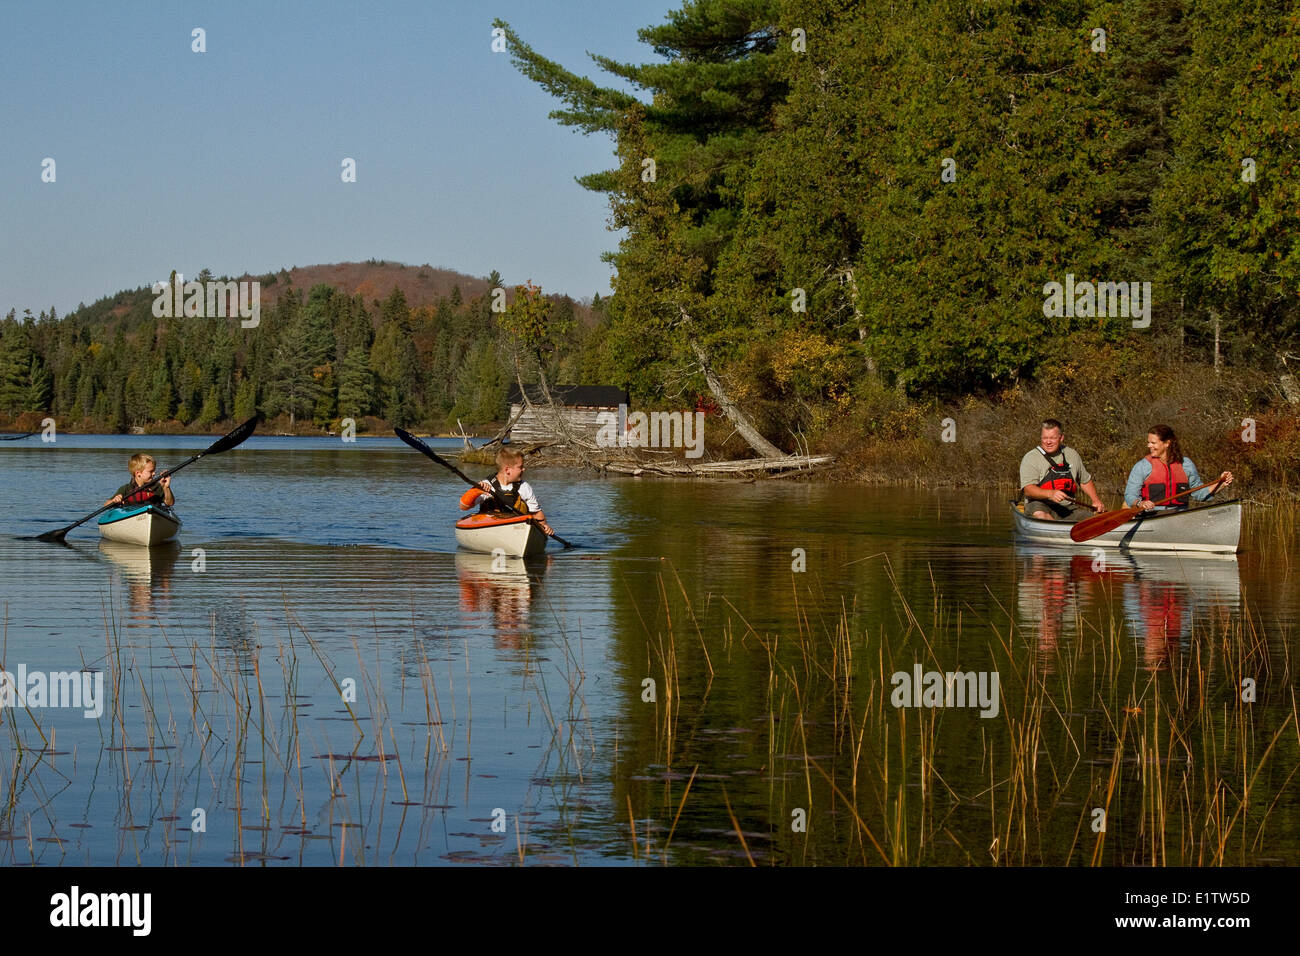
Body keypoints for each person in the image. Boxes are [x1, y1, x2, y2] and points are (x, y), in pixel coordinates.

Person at [1124, 424, 1232, 512]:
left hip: (1179, 515)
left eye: (1153, 443)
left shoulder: (1186, 464)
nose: (1149, 446)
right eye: (1148, 442)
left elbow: (1199, 494)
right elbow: (1130, 495)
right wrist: (1141, 503)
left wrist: (1220, 483)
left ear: (1167, 443)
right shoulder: (1142, 466)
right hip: (1151, 515)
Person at [1018, 418, 1106, 520]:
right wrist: (1050, 494)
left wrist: (1096, 500)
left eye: (1053, 438)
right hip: (1038, 505)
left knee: (1096, 519)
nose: (1048, 442)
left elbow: (1084, 481)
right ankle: (1052, 530)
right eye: (1045, 438)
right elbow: (1028, 490)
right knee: (1041, 515)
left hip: (1067, 507)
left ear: (1061, 438)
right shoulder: (1031, 457)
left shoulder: (1072, 454)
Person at [460, 448, 553, 535]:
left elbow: (536, 513)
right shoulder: (485, 485)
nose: (524, 469)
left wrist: (544, 526)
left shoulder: (524, 487)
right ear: (507, 470)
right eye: (520, 467)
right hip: (490, 529)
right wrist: (475, 491)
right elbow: (463, 507)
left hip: (518, 529)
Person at [104, 453, 174, 508]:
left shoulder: (157, 487)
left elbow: (170, 503)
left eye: (154, 471)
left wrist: (166, 487)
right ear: (138, 473)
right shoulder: (126, 489)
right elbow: (106, 504)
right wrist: (114, 500)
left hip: (154, 514)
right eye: (151, 471)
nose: (154, 473)